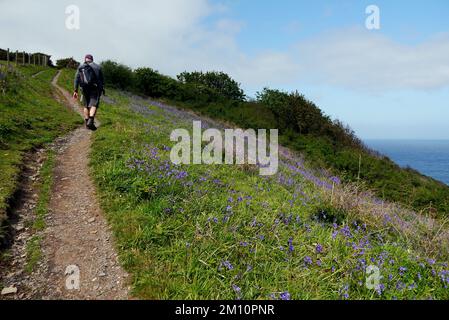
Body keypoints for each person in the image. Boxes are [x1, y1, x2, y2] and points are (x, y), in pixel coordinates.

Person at [73, 54, 105, 130]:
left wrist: (75, 91)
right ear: (92, 59)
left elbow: (76, 79)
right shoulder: (97, 67)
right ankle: (91, 120)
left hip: (84, 89)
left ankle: (87, 122)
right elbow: (101, 80)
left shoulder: (80, 67)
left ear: (85, 59)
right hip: (94, 88)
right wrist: (101, 89)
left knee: (86, 106)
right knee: (94, 105)